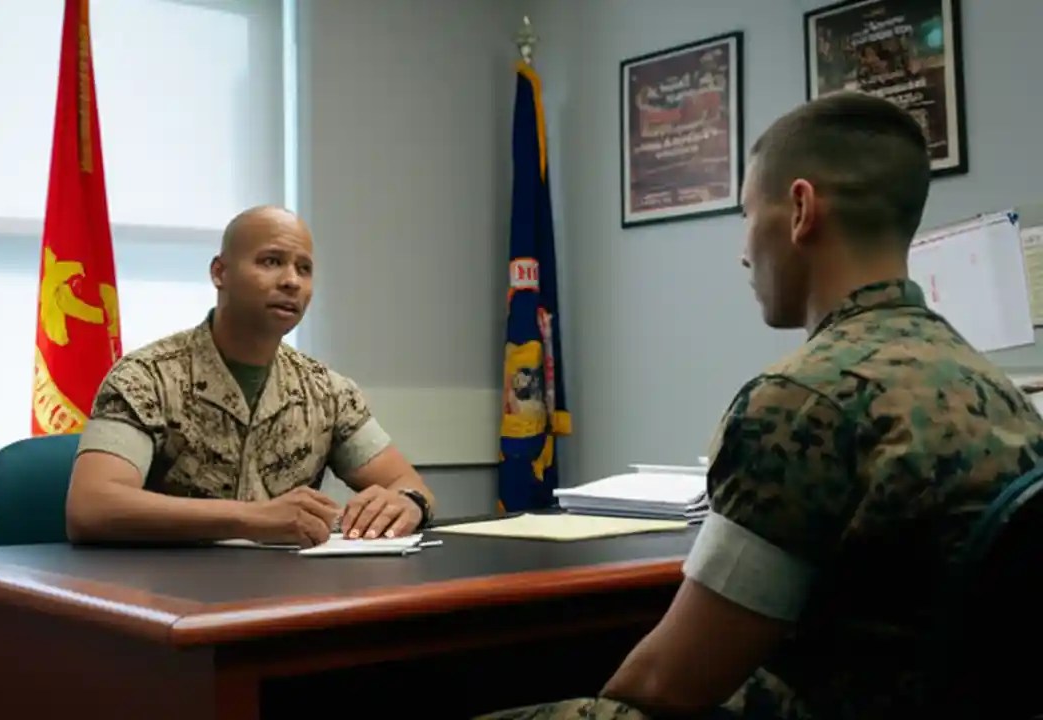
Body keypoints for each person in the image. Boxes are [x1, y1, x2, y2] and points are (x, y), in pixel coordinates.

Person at [478, 91, 1043, 719]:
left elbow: (666, 687)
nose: (744, 251)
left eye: (746, 215)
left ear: (800, 210)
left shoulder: (803, 400)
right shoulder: (997, 389)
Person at [64, 205, 437, 548]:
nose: (291, 281)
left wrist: (407, 504)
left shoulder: (327, 391)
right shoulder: (146, 378)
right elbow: (91, 506)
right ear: (219, 272)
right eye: (271, 261)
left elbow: (407, 484)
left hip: (286, 600)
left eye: (304, 268)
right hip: (170, 597)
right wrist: (251, 519)